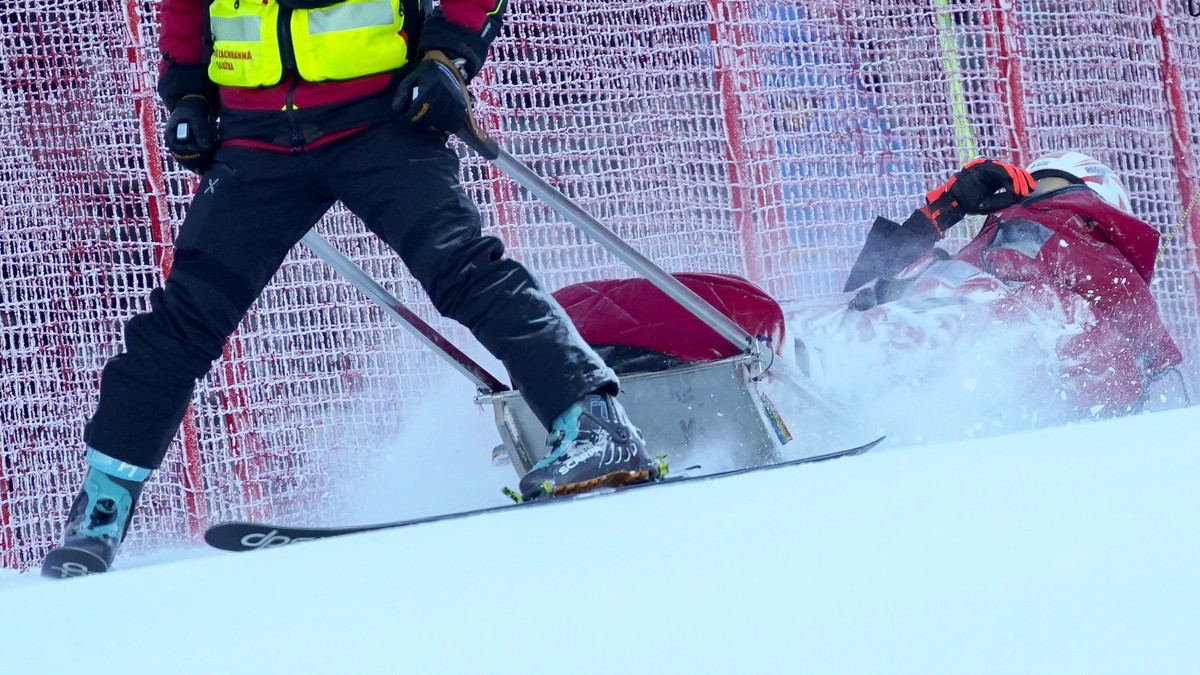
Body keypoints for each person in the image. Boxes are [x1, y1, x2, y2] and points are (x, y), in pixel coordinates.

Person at [42, 0, 653, 577]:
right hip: (254, 139)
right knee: (181, 321)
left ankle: (596, 425)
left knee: (464, 270)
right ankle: (100, 510)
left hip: (380, 118)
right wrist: (188, 92)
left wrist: (450, 55)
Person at [792, 152, 1183, 424]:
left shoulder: (1072, 244)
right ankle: (786, 358)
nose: (1027, 201)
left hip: (986, 351)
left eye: (1043, 188)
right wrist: (946, 209)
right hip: (930, 338)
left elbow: (1141, 349)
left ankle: (798, 365)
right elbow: (861, 295)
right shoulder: (977, 254)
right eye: (1026, 190)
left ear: (1094, 204)